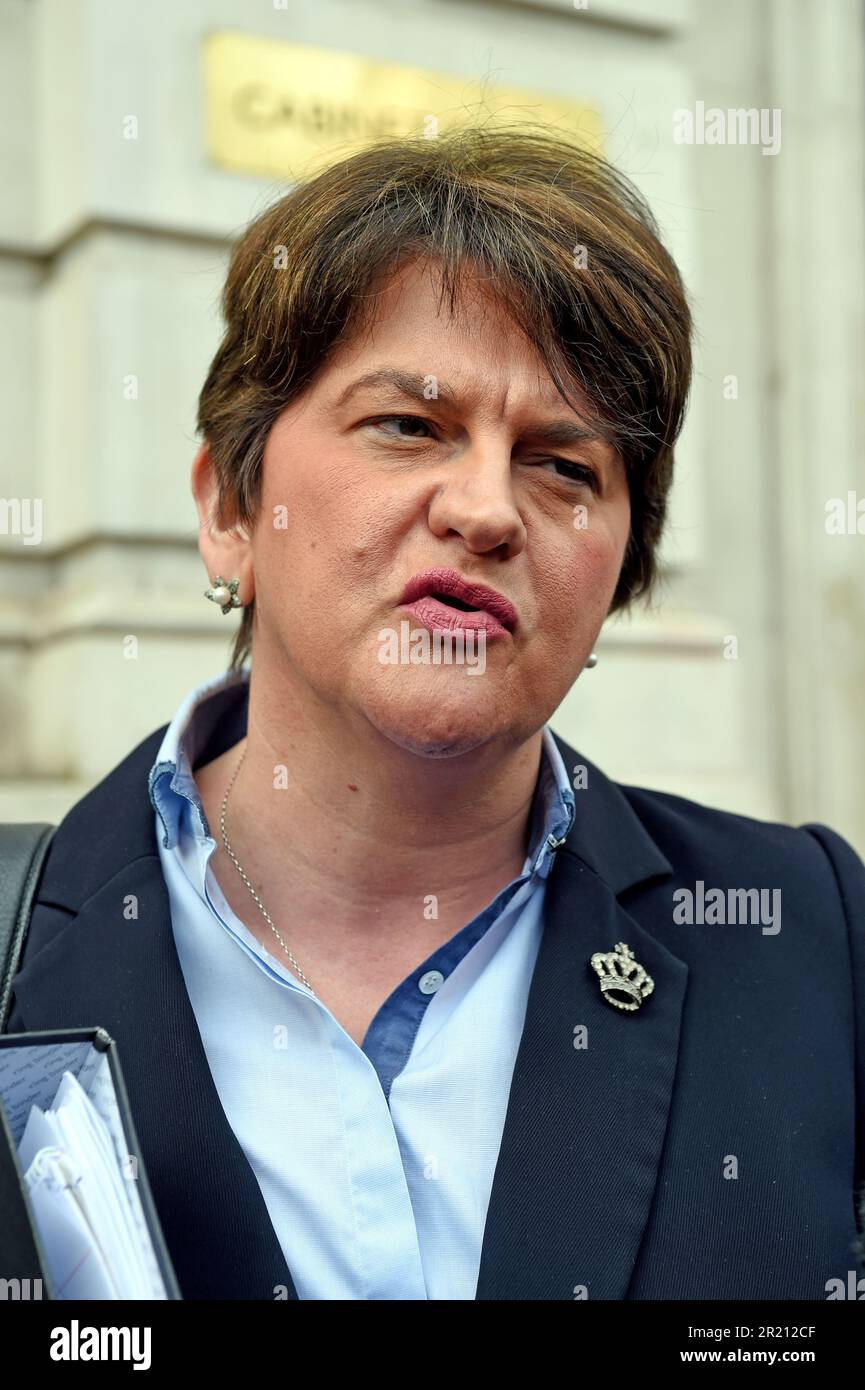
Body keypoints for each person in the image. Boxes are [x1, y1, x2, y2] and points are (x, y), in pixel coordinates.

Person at [8, 125, 864, 1301]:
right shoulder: (20, 949)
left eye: (565, 465)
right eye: (409, 425)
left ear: (619, 568)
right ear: (229, 510)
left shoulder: (809, 936)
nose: (485, 508)